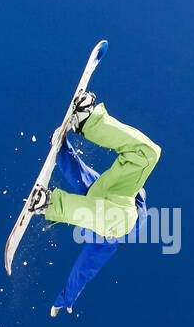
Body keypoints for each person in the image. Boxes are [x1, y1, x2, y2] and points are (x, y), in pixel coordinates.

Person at [29, 91, 161, 315]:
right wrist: (62, 150)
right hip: (121, 193)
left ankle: (48, 204)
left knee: (116, 218)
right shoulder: (126, 200)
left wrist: (67, 297)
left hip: (115, 216)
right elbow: (85, 178)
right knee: (148, 153)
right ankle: (88, 121)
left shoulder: (110, 240)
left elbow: (85, 269)